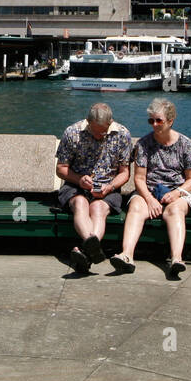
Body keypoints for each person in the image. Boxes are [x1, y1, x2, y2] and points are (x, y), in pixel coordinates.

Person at [110, 97, 191, 279]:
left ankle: (176, 259)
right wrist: (149, 199)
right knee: (135, 207)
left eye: (159, 120)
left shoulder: (184, 144)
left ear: (170, 121)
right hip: (148, 190)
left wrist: (176, 193)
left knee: (175, 211)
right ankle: (127, 255)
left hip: (176, 191)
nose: (155, 124)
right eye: (151, 120)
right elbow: (139, 178)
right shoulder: (144, 144)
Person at [55, 102, 133, 273]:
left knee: (98, 208)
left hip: (107, 187)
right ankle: (93, 249)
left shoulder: (122, 134)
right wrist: (79, 179)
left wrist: (110, 186)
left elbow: (124, 173)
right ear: (88, 122)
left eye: (103, 132)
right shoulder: (72, 132)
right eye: (95, 132)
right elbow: (61, 169)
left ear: (111, 122)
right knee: (80, 204)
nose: (99, 136)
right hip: (76, 185)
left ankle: (86, 252)